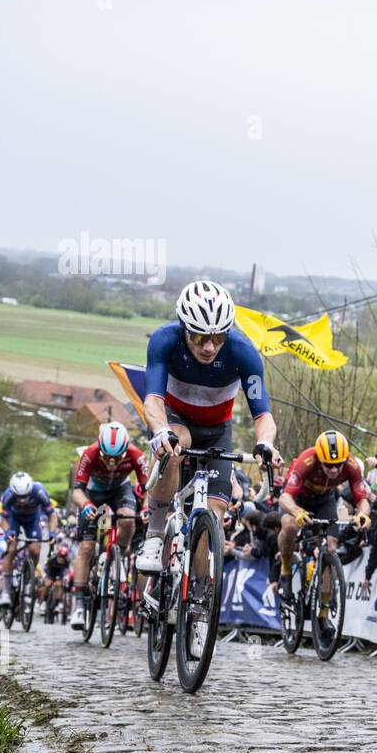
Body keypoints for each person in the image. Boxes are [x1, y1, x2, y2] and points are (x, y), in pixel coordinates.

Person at [137, 281, 281, 655]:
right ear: (185, 328)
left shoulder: (243, 352)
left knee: (211, 522)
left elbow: (263, 415)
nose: (208, 346)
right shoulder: (164, 341)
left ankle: (199, 611)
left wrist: (265, 443)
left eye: (217, 337)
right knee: (174, 445)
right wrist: (159, 430)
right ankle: (156, 534)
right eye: (200, 336)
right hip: (176, 419)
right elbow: (151, 399)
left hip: (218, 431)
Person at [278, 431, 371, 628]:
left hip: (325, 501)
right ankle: (286, 568)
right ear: (320, 459)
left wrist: (363, 514)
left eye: (338, 465)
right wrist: (296, 511)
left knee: (330, 548)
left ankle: (324, 613)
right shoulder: (307, 460)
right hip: (297, 500)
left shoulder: (352, 465)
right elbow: (284, 497)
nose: (335, 470)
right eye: (329, 465)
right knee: (290, 525)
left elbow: (362, 498)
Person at [68, 421, 146, 629]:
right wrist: (85, 505)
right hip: (93, 492)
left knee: (129, 519)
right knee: (86, 547)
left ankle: (117, 555)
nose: (111, 462)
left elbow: (148, 489)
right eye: (107, 457)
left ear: (126, 450)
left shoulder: (136, 455)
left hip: (120, 489)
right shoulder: (90, 453)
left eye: (117, 458)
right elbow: (76, 490)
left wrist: (146, 508)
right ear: (99, 448)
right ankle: (78, 606)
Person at [0, 472, 57, 607]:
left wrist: (52, 532)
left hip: (32, 520)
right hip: (14, 519)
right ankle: (5, 591)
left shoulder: (39, 491)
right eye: (19, 497)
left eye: (25, 496)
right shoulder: (8, 495)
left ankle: (29, 581)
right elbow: (4, 518)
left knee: (35, 549)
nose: (22, 500)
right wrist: (8, 532)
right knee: (11, 548)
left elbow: (52, 514)